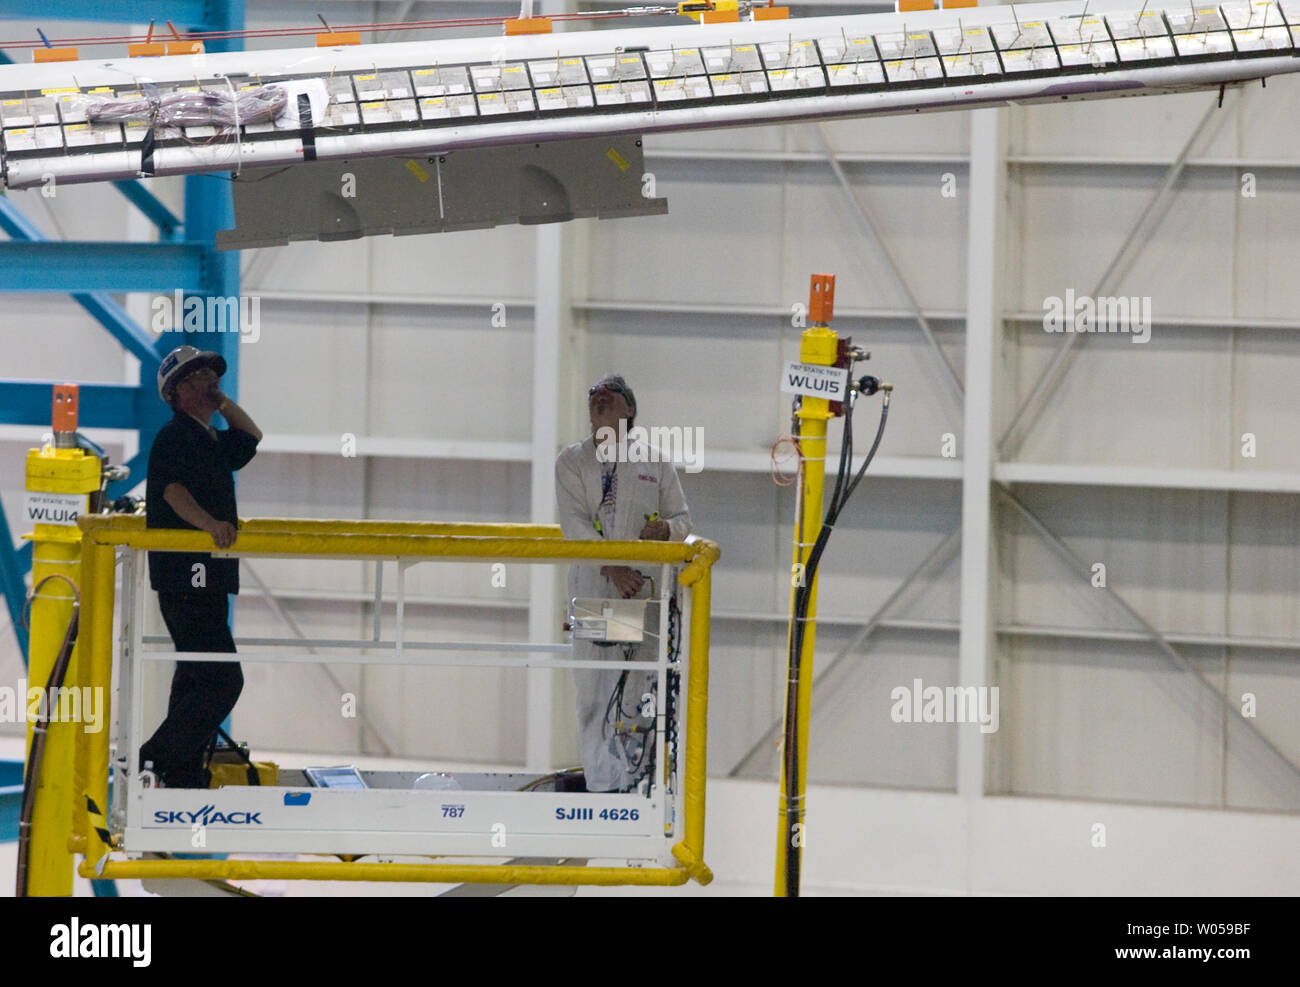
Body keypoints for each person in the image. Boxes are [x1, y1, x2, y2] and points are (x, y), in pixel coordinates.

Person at [555, 375, 691, 793]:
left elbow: (684, 521)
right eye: (594, 397)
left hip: (645, 598)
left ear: (628, 411)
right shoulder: (572, 462)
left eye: (609, 396)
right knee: (594, 697)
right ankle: (603, 786)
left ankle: (638, 785)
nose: (599, 400)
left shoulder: (654, 463)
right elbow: (574, 523)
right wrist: (611, 567)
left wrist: (665, 529)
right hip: (598, 593)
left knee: (640, 694)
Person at [138, 345, 262, 789]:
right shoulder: (176, 436)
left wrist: (223, 401)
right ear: (177, 392)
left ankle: (182, 768)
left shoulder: (210, 439)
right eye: (199, 379)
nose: (210, 383)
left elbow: (252, 436)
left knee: (194, 674)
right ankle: (155, 757)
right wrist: (211, 524)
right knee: (223, 678)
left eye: (213, 375)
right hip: (185, 575)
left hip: (206, 576)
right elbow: (172, 491)